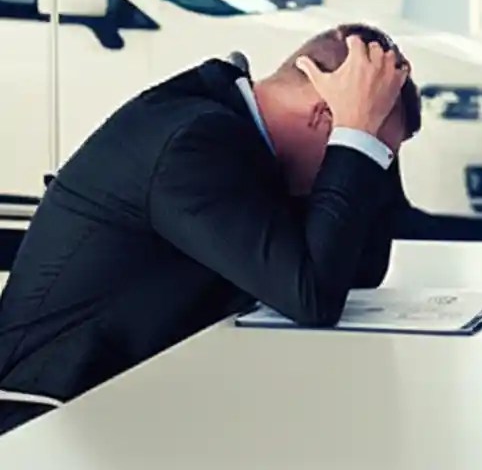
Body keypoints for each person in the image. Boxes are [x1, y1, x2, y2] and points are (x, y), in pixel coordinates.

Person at [0, 24, 420, 435]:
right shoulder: (195, 140)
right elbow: (312, 295)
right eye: (373, 149)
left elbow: (361, 269)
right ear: (323, 115)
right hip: (52, 421)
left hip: (139, 405)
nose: (371, 162)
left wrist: (365, 122)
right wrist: (358, 131)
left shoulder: (243, 132)